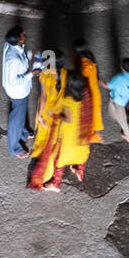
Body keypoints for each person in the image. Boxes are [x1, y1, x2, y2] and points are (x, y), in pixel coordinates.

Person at [35, 62, 97, 190]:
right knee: (81, 154)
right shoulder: (86, 98)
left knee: (58, 161)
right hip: (83, 141)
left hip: (68, 143)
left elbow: (67, 119)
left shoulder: (67, 101)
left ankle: (55, 185)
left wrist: (52, 114)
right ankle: (79, 171)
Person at [28, 52, 68, 190]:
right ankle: (50, 171)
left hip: (47, 112)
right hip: (59, 112)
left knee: (45, 141)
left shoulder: (46, 75)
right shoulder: (64, 74)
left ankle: (44, 174)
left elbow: (44, 97)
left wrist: (40, 116)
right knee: (54, 143)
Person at [2, 26, 38, 157]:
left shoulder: (9, 45)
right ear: (18, 41)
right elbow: (13, 81)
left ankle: (23, 133)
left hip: (19, 91)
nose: (25, 34)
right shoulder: (14, 59)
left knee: (20, 113)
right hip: (17, 92)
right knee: (15, 119)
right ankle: (14, 148)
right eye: (23, 35)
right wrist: (31, 74)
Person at [72, 40, 103, 143]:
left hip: (90, 93)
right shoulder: (89, 57)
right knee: (93, 114)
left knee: (89, 114)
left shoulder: (85, 66)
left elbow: (82, 80)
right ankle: (92, 134)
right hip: (94, 90)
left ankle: (91, 135)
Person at [103, 58, 129, 142]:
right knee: (117, 115)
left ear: (122, 67)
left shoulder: (118, 77)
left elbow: (108, 86)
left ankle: (128, 135)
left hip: (117, 101)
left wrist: (100, 82)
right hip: (125, 100)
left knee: (121, 119)